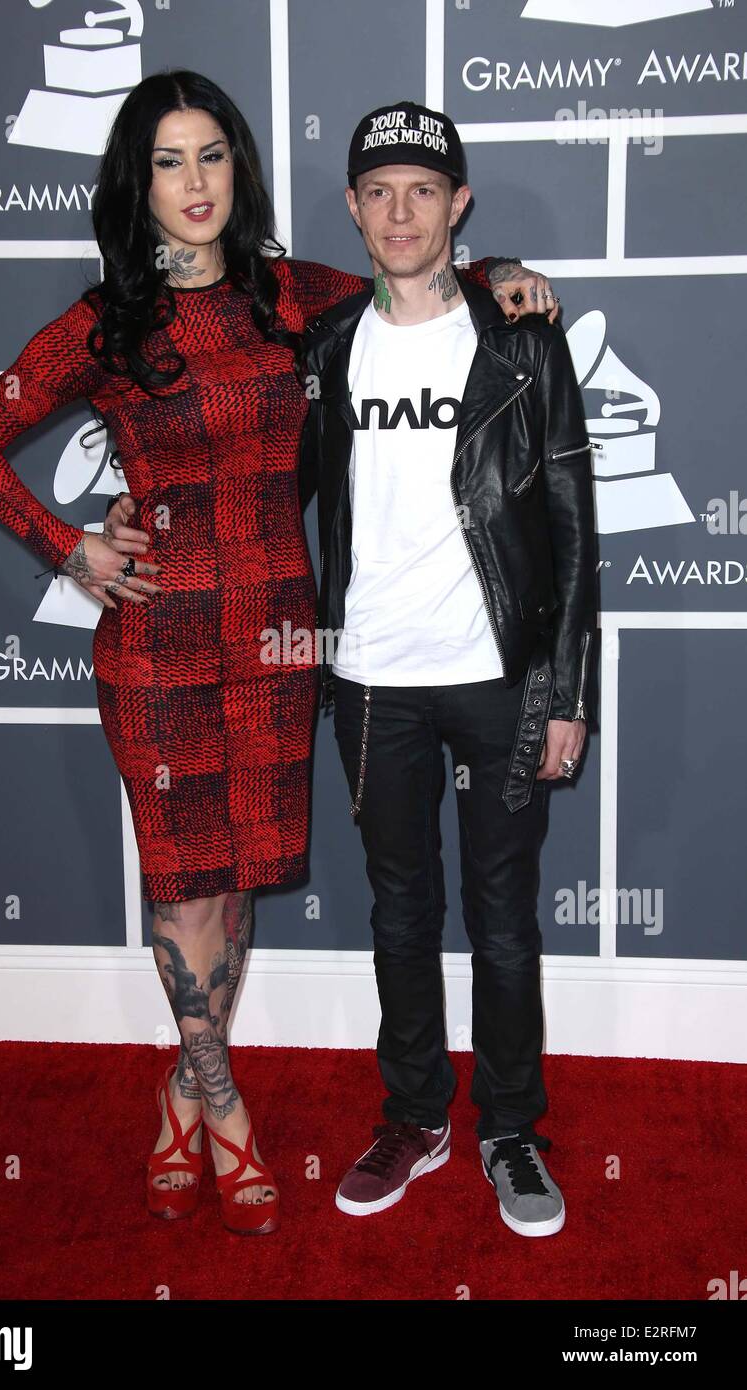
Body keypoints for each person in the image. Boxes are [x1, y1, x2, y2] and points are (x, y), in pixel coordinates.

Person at [0, 71, 560, 1236]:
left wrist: (498, 272)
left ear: (241, 170)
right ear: (138, 181)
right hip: (161, 646)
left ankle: (180, 1080)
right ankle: (221, 1104)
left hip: (278, 642)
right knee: (184, 883)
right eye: (168, 161)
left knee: (234, 880)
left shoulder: (290, 296)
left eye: (212, 156)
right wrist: (71, 546)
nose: (194, 183)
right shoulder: (105, 322)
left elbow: (410, 277)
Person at [293, 101, 598, 1236]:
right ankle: (416, 1115)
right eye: (378, 191)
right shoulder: (324, 343)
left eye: (424, 189)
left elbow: (570, 520)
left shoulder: (518, 336)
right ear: (353, 210)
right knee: (399, 909)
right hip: (371, 681)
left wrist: (566, 691)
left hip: (500, 680)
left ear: (458, 205)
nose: (400, 211)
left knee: (503, 916)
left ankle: (510, 1126)